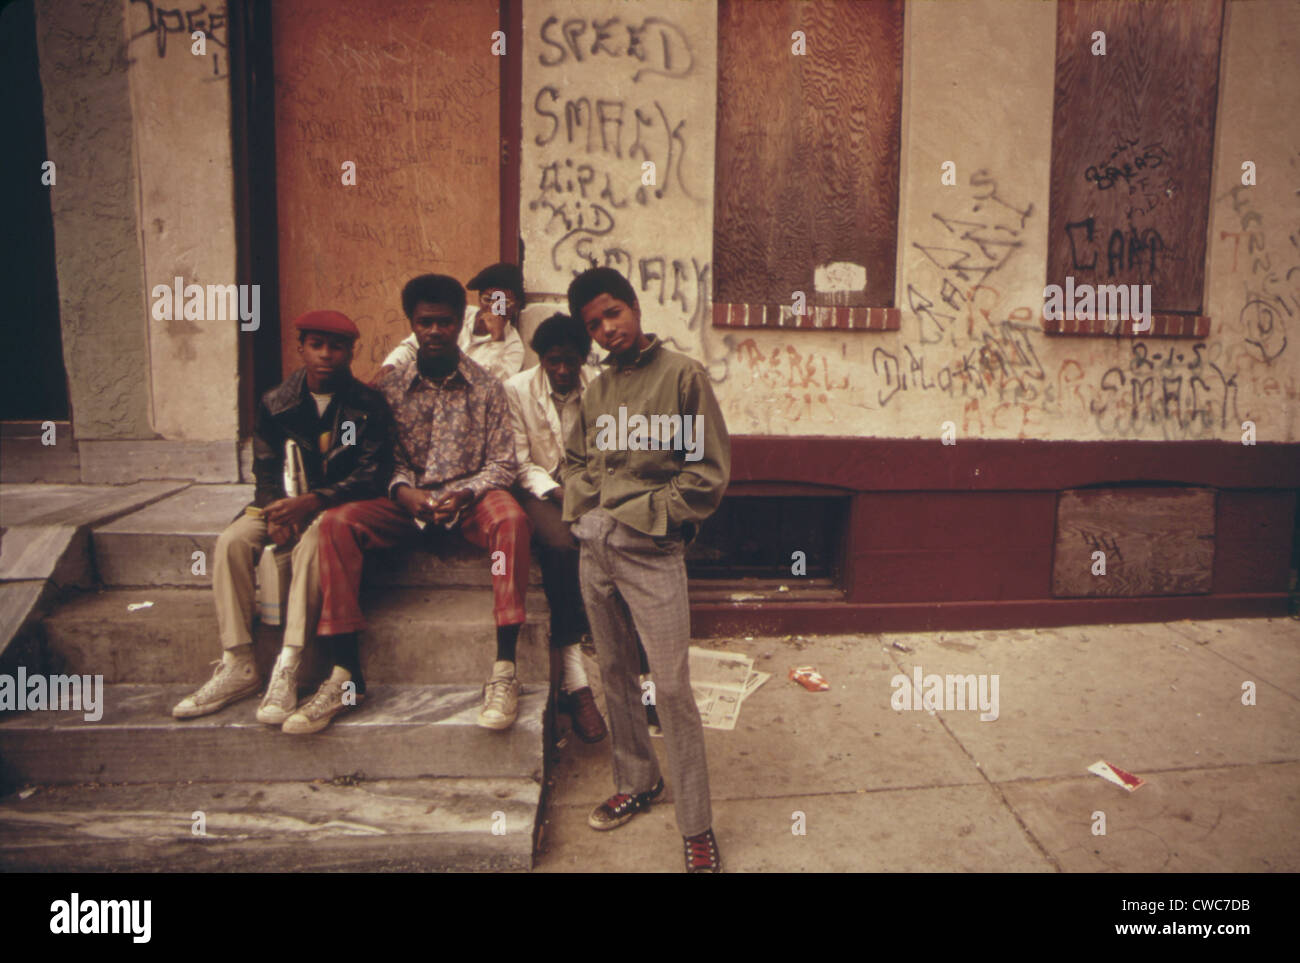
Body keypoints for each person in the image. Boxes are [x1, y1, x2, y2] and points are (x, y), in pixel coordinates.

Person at [561, 267, 731, 873]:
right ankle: (638, 779)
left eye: (613, 314)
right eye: (594, 325)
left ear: (634, 307)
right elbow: (576, 459)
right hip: (595, 550)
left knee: (675, 686)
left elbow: (706, 473)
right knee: (613, 671)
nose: (607, 330)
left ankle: (697, 825)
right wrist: (585, 512)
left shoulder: (683, 376)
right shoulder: (596, 389)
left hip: (651, 552)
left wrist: (651, 516)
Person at [313, 274, 534, 732]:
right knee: (336, 523)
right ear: (412, 324)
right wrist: (402, 490)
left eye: (445, 322)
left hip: (468, 499)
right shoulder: (388, 391)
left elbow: (502, 463)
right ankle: (345, 673)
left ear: (460, 324)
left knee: (510, 518)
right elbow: (382, 458)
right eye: (425, 322)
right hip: (405, 503)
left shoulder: (488, 387)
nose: (435, 331)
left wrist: (466, 492)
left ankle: (505, 668)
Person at [172, 310, 395, 735]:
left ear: (352, 351)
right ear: (301, 348)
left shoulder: (365, 406)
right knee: (234, 541)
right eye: (316, 345)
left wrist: (312, 503)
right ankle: (238, 662)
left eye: (336, 347)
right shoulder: (277, 403)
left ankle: (288, 663)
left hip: (333, 506)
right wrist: (276, 510)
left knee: (316, 542)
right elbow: (267, 469)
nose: (326, 355)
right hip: (285, 503)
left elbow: (368, 476)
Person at [503, 313, 608, 742]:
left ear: (583, 358)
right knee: (563, 547)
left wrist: (589, 494)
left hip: (593, 487)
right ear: (540, 359)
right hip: (542, 489)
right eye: (552, 362)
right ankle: (576, 681)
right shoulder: (517, 389)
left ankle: (641, 683)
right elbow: (520, 461)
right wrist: (560, 495)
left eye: (570, 361)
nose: (562, 371)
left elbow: (609, 450)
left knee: (620, 545)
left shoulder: (601, 387)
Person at [378, 262, 525, 383]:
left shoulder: (514, 346)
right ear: (479, 299)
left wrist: (497, 340)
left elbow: (491, 384)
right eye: (488, 299)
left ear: (516, 306)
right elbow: (412, 346)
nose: (494, 308)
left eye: (503, 303)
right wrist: (391, 365)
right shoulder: (457, 314)